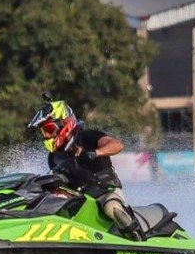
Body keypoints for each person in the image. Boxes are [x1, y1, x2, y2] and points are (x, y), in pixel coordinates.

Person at [28, 94, 143, 240]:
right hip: (76, 198)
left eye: (49, 130)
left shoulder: (88, 136)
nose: (47, 136)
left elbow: (117, 145)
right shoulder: (54, 156)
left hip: (104, 193)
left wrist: (95, 153)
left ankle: (137, 240)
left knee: (112, 209)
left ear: (64, 122)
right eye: (44, 132)